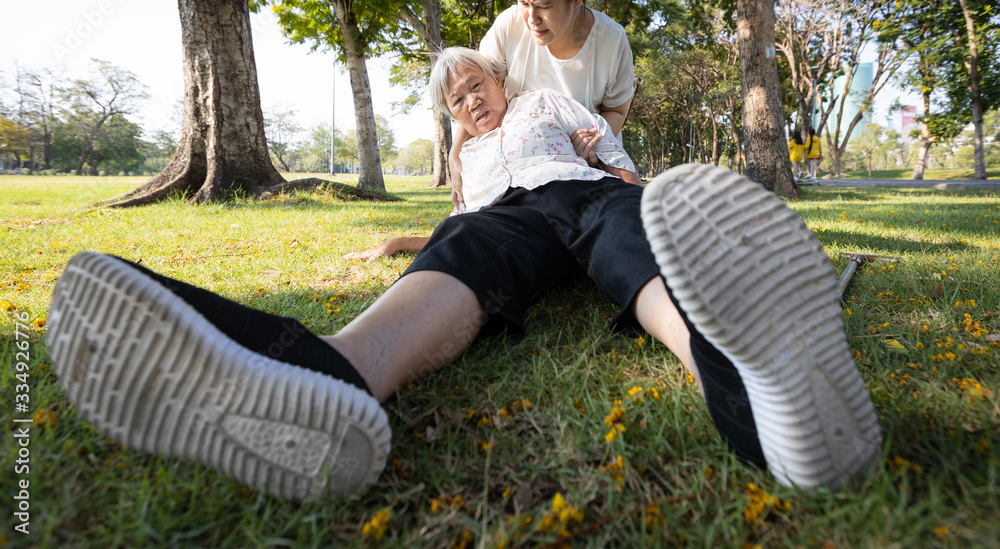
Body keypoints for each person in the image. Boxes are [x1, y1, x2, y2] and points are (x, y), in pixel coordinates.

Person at [46, 48, 882, 504]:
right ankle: (336, 373)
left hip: (584, 192)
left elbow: (619, 166)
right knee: (465, 242)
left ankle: (743, 389)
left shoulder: (548, 104)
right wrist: (400, 242)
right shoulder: (469, 157)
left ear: (500, 80)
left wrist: (636, 188)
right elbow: (464, 222)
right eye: (456, 100)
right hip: (507, 218)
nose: (470, 102)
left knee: (627, 238)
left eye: (475, 85)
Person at [449, 0, 635, 211]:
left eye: (543, 6)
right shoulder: (509, 26)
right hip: (520, 173)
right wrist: (455, 154)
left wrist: (590, 142)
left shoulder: (611, 40)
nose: (531, 18)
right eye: (523, 3)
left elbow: (617, 110)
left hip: (584, 170)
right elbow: (475, 90)